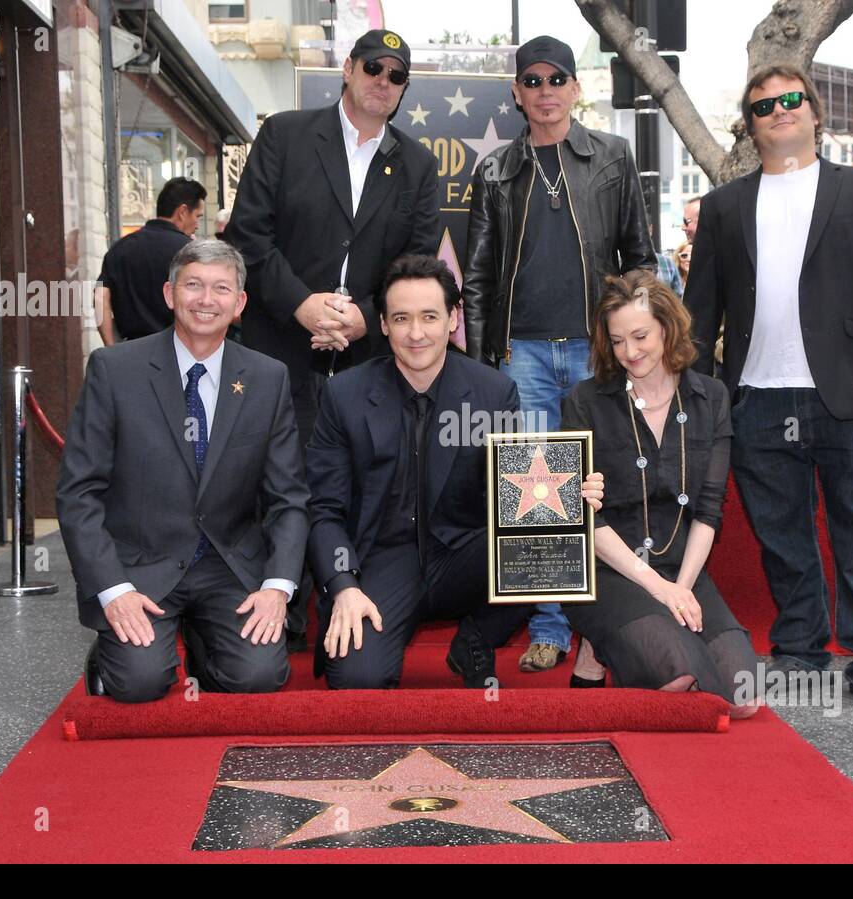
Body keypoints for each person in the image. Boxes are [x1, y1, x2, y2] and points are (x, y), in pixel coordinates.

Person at [683, 65, 853, 710]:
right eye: (763, 104)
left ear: (815, 113)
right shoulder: (722, 206)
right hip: (757, 394)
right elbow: (701, 307)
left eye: (792, 99)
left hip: (848, 390)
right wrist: (691, 389)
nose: (779, 110)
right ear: (750, 123)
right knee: (783, 536)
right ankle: (801, 651)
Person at [226, 28, 440, 652]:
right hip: (279, 350)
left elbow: (418, 265)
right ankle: (277, 620)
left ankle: (351, 610)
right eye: (374, 66)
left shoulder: (418, 165)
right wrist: (303, 305)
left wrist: (366, 318)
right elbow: (249, 237)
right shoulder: (285, 135)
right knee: (276, 482)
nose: (384, 80)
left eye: (397, 75)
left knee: (358, 486)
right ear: (347, 69)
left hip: (369, 357)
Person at [304, 255, 604, 689]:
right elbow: (323, 509)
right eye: (401, 318)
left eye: (430, 316)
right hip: (379, 561)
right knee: (357, 680)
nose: (416, 333)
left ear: (453, 319)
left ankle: (475, 640)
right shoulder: (343, 395)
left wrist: (571, 493)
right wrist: (343, 584)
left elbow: (517, 499)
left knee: (547, 534)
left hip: (463, 552)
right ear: (384, 324)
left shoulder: (493, 391)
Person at [463, 34, 655, 673]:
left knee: (613, 484)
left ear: (577, 88)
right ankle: (549, 625)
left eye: (557, 79)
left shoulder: (613, 157)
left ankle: (616, 625)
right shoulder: (495, 170)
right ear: (517, 93)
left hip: (601, 352)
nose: (545, 91)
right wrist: (486, 359)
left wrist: (632, 341)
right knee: (538, 493)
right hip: (522, 355)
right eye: (533, 81)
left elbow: (640, 259)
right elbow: (479, 275)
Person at [56, 240, 310, 703]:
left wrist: (277, 586)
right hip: (141, 567)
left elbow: (288, 498)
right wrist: (112, 591)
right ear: (170, 294)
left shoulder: (268, 378)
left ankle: (203, 644)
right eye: (193, 285)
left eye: (220, 288)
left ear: (240, 303)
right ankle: (114, 652)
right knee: (140, 683)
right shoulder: (115, 370)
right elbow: (78, 493)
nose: (206, 300)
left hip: (227, 565)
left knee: (257, 678)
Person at [560, 272, 756, 714]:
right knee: (680, 677)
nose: (629, 352)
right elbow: (584, 517)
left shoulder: (712, 398)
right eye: (617, 341)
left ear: (668, 327)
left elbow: (709, 511)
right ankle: (604, 637)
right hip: (608, 571)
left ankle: (609, 644)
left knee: (744, 697)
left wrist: (680, 590)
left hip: (681, 567)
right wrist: (658, 590)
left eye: (640, 336)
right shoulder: (586, 401)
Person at [95, 177, 206, 345]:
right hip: (180, 350)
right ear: (182, 212)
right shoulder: (191, 252)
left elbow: (99, 297)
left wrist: (111, 347)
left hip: (132, 350)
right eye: (197, 216)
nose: (197, 224)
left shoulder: (120, 249)